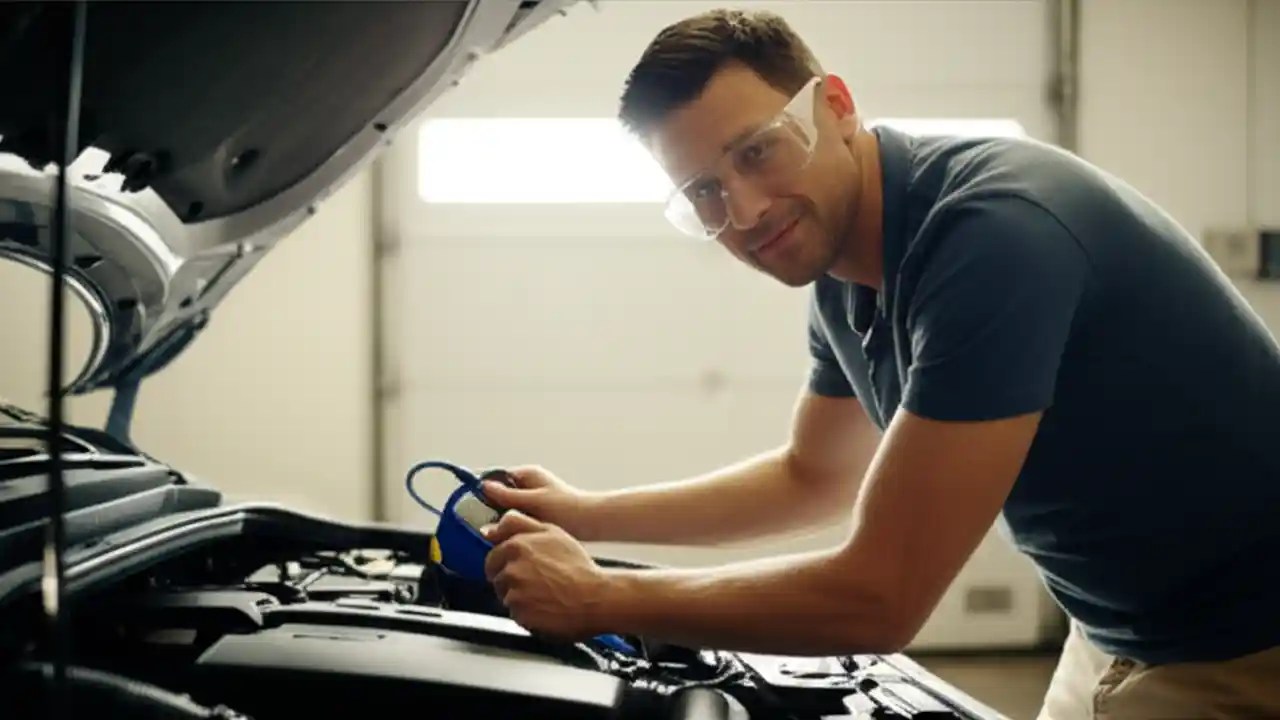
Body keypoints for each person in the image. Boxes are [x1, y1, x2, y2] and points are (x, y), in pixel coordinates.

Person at [476, 8, 1280, 719]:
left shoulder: (993, 235)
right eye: (705, 194)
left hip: (1247, 647)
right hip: (1115, 631)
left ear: (837, 106)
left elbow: (880, 596)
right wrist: (586, 514)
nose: (744, 213)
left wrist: (600, 597)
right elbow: (813, 477)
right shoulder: (842, 271)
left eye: (757, 151)